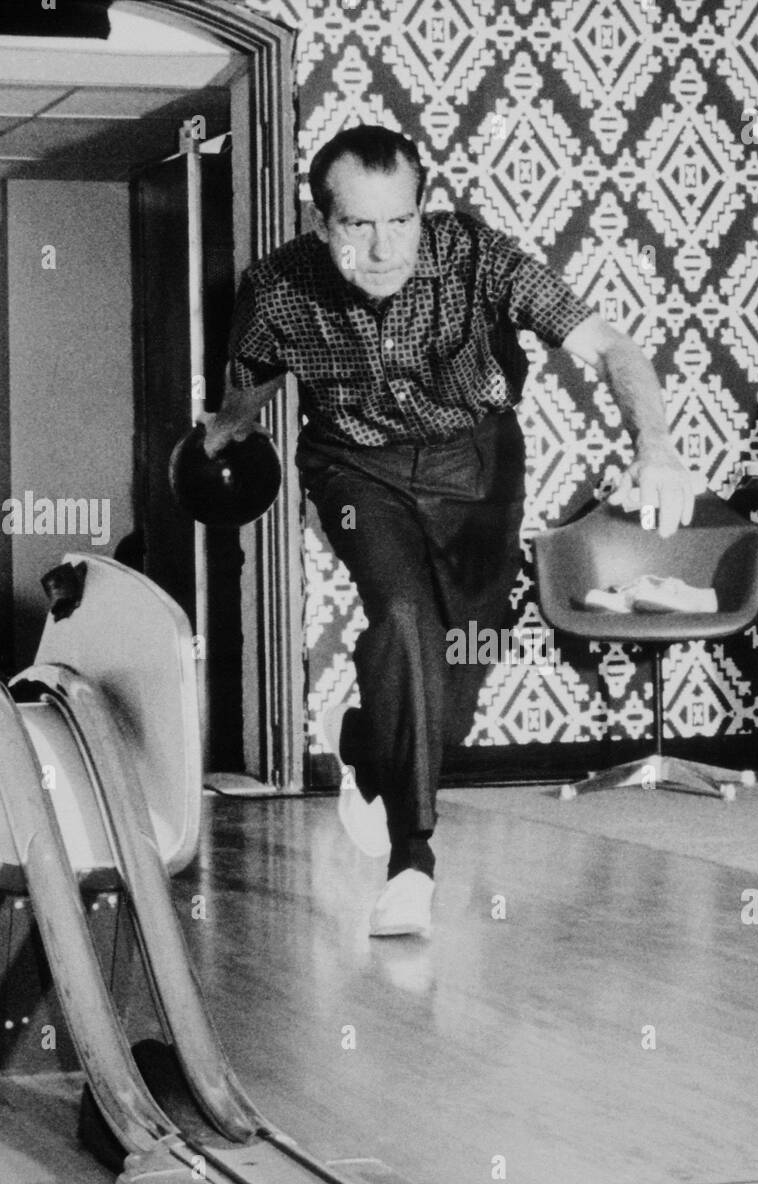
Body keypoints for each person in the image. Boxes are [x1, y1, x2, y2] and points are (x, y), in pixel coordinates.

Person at [204, 124, 694, 934]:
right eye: (357, 224)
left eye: (400, 220)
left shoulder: (476, 256)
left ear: (423, 210)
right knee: (402, 619)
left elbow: (609, 347)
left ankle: (366, 742)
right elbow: (247, 390)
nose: (383, 244)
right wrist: (219, 437)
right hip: (357, 469)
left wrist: (658, 445)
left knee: (458, 671)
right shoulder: (275, 289)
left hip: (477, 468)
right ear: (321, 222)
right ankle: (412, 862)